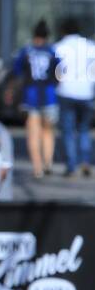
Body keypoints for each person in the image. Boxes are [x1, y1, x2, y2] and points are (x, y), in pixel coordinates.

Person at [12, 21, 59, 179]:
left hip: (30, 96)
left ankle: (37, 167)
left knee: (33, 133)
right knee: (48, 132)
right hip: (49, 95)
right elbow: (59, 73)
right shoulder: (52, 51)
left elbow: (17, 71)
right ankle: (48, 163)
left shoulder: (26, 51)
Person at [53, 18, 95, 178]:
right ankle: (85, 161)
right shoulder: (90, 46)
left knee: (68, 130)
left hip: (66, 91)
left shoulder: (58, 47)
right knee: (84, 129)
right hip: (86, 91)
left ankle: (71, 165)